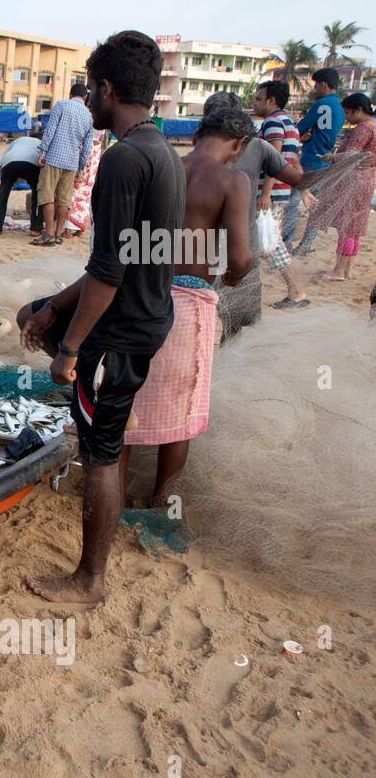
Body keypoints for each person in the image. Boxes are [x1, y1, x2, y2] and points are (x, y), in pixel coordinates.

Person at [16, 30, 184, 605]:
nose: (87, 100)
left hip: (118, 334)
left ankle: (89, 579)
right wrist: (51, 309)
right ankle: (90, 403)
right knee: (27, 312)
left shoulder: (121, 160)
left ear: (108, 88)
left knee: (101, 454)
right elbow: (131, 263)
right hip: (147, 319)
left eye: (91, 88)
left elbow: (110, 273)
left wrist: (69, 352)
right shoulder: (164, 153)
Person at [120, 108, 253, 507]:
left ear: (199, 133)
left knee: (128, 401)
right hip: (188, 302)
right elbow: (241, 256)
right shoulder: (233, 180)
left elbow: (133, 237)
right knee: (181, 412)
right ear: (237, 143)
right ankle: (162, 501)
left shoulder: (166, 166)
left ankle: (117, 492)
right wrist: (232, 275)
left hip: (140, 293)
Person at [201, 91, 303, 334]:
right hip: (232, 251)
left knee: (225, 326)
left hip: (215, 252)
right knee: (234, 329)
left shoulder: (201, 152)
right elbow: (299, 178)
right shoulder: (255, 146)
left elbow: (297, 178)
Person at [298, 93, 376, 281]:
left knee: (347, 227)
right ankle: (347, 269)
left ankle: (339, 271)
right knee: (355, 228)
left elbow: (351, 155)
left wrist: (330, 157)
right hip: (368, 179)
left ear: (358, 111)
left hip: (354, 180)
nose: (346, 118)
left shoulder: (363, 128)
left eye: (348, 113)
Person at [251, 81, 308, 308]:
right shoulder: (290, 123)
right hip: (280, 190)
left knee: (271, 242)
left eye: (258, 98)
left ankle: (296, 291)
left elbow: (273, 158)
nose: (255, 103)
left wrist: (265, 193)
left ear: (271, 100)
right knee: (269, 240)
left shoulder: (273, 122)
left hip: (270, 192)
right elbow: (292, 159)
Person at [286, 68, 343, 252]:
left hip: (310, 158)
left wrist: (302, 136)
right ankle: (306, 244)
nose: (315, 89)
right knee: (315, 204)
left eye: (316, 85)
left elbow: (299, 128)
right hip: (326, 161)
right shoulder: (339, 107)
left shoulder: (322, 104)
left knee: (292, 201)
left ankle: (286, 243)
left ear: (324, 84)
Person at [32, 83, 96, 245]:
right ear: (85, 97)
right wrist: (81, 166)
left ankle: (48, 233)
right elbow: (87, 146)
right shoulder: (88, 116)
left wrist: (43, 152)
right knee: (64, 199)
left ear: (70, 93)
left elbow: (50, 130)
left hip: (54, 157)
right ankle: (59, 233)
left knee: (46, 194)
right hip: (72, 162)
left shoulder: (61, 105)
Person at [0, 133, 43, 234]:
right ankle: (35, 229)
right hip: (32, 164)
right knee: (36, 194)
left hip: (10, 162)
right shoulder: (40, 143)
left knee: (3, 193)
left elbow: (1, 165)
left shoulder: (17, 141)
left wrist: (6, 182)